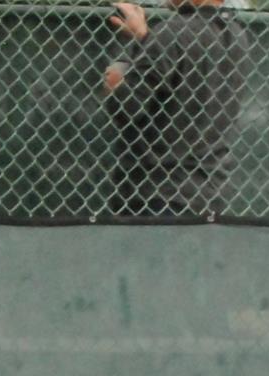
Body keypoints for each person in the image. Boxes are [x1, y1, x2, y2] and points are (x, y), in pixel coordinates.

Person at [102, 0, 247, 218]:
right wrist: (145, 39)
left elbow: (128, 107)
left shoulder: (172, 32)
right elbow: (187, 72)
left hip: (157, 189)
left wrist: (116, 85)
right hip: (207, 190)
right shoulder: (236, 35)